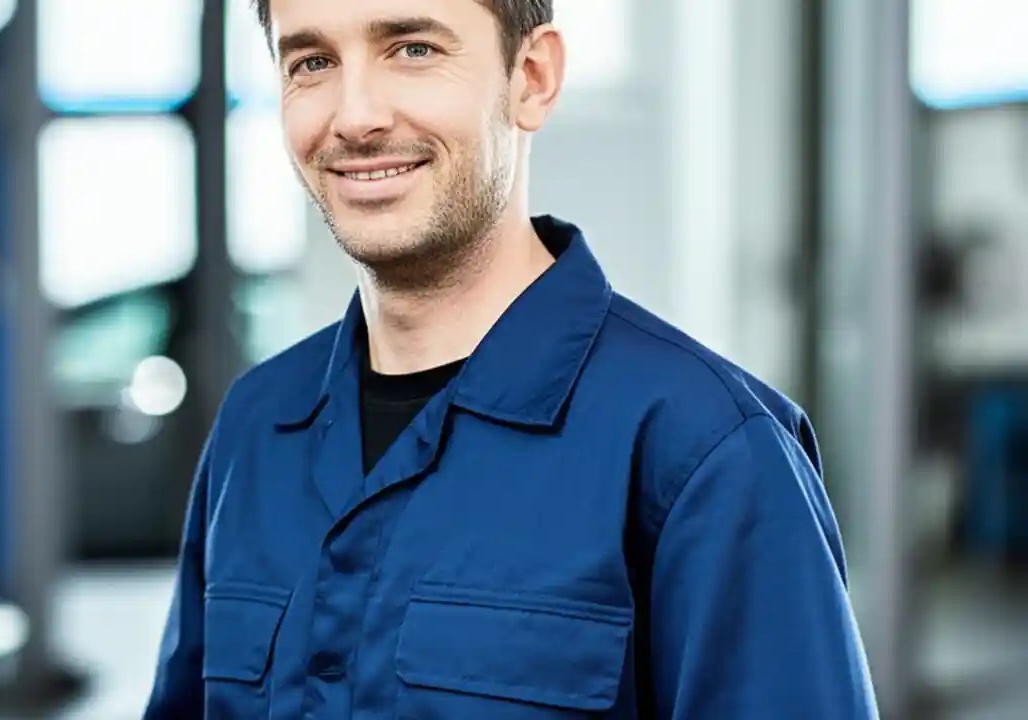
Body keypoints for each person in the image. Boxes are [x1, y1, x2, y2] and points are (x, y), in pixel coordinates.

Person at [145, 0, 879, 717]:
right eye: (312, 61)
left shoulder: (707, 451)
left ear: (532, 77)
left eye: (413, 48)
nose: (355, 115)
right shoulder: (257, 425)